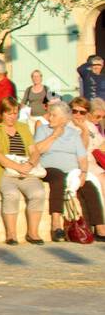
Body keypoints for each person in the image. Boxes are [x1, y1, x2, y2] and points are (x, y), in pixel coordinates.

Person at [34, 100, 105, 241]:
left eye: (54, 115)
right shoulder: (43, 129)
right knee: (59, 179)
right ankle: (56, 225)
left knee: (90, 186)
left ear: (63, 119)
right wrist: (54, 136)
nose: (50, 118)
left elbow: (82, 157)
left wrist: (84, 173)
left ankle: (100, 227)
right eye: (50, 114)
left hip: (72, 170)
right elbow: (37, 150)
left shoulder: (73, 133)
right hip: (50, 168)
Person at [0, 96, 47, 245]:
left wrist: (30, 164)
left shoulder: (23, 128)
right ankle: (11, 234)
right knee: (11, 194)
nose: (12, 117)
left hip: (26, 168)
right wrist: (18, 167)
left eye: (15, 113)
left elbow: (34, 150)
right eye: (9, 113)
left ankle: (33, 232)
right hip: (4, 170)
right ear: (2, 113)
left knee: (38, 193)